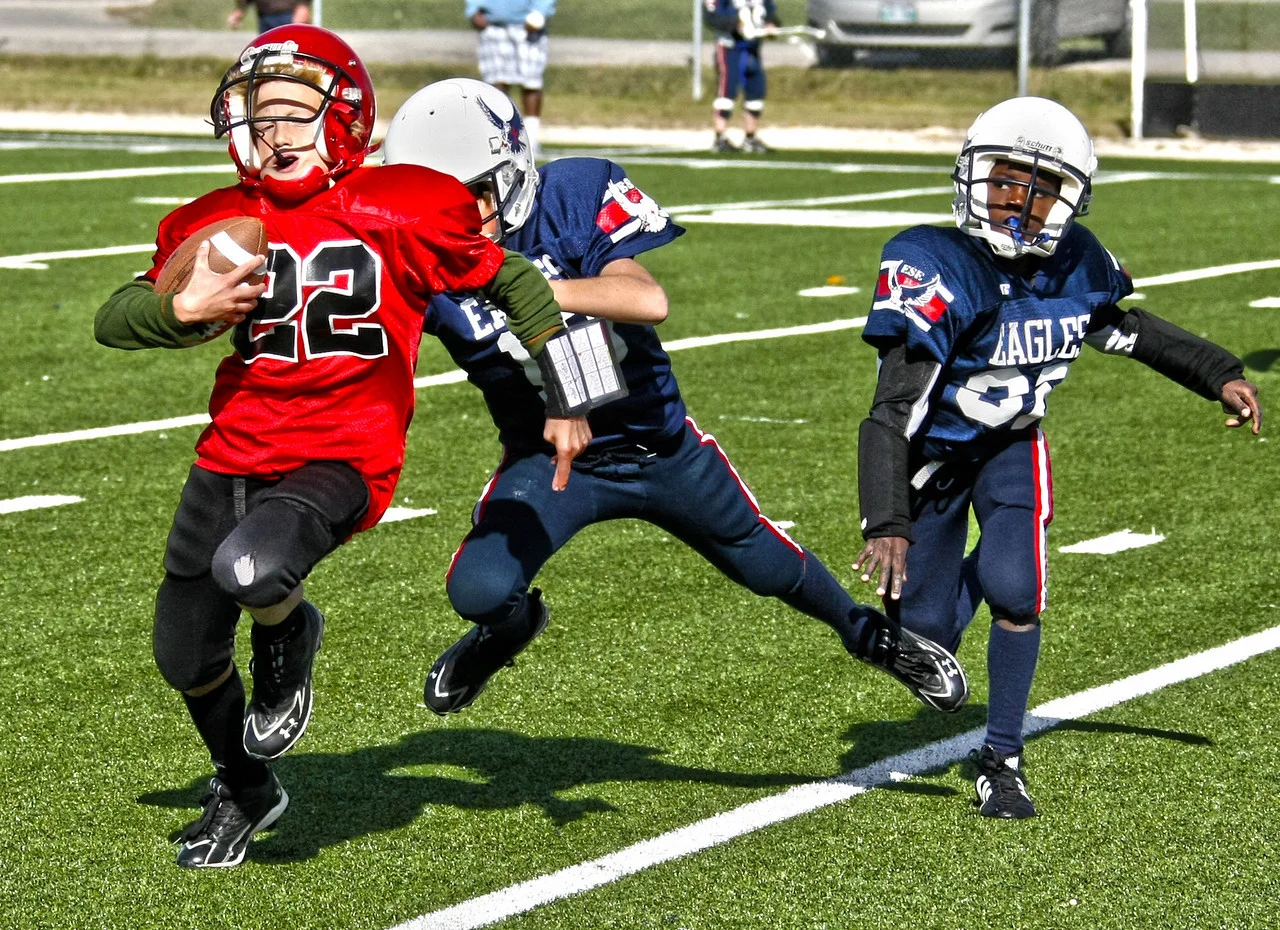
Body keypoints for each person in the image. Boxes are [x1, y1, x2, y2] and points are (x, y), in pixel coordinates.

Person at [93, 27, 601, 869]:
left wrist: (570, 392)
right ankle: (246, 788)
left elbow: (511, 279)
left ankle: (289, 637)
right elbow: (115, 318)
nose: (274, 132)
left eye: (296, 113)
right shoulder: (218, 219)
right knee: (182, 652)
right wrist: (181, 314)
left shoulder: (402, 204)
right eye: (261, 114)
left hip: (345, 451)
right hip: (235, 448)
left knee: (252, 571)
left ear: (345, 118)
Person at [380, 78, 970, 724]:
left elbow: (646, 300)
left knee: (767, 564)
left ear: (514, 169)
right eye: (434, 202)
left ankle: (869, 637)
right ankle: (509, 630)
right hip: (549, 462)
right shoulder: (420, 259)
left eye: (471, 196)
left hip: (658, 448)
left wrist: (520, 288)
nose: (456, 218)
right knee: (480, 588)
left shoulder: (573, 195)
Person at [852, 95, 1262, 820]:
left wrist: (1218, 372)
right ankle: (967, 579)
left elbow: (1127, 330)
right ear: (972, 178)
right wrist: (887, 519)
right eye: (1007, 181)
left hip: (1011, 443)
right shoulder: (934, 263)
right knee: (929, 640)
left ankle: (1001, 759)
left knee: (1018, 592)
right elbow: (893, 410)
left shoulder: (1079, 266)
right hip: (933, 460)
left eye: (1044, 191)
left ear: (1071, 201)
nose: (1021, 204)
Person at [466, 1, 555, 157]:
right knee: (495, 86)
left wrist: (541, 12)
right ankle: (501, 140)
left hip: (528, 27)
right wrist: (473, 10)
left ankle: (531, 141)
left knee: (531, 83)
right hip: (492, 27)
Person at [703, 0, 779, 153]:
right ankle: (720, 136)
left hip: (752, 47)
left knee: (756, 90)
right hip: (729, 46)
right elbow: (711, 17)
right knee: (727, 90)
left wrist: (771, 24)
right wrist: (735, 25)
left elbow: (768, 10)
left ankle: (750, 137)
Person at [228, 0, 312, 33]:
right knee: (267, 57)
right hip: (264, 16)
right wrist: (241, 8)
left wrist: (303, 5)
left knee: (293, 55)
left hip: (289, 14)